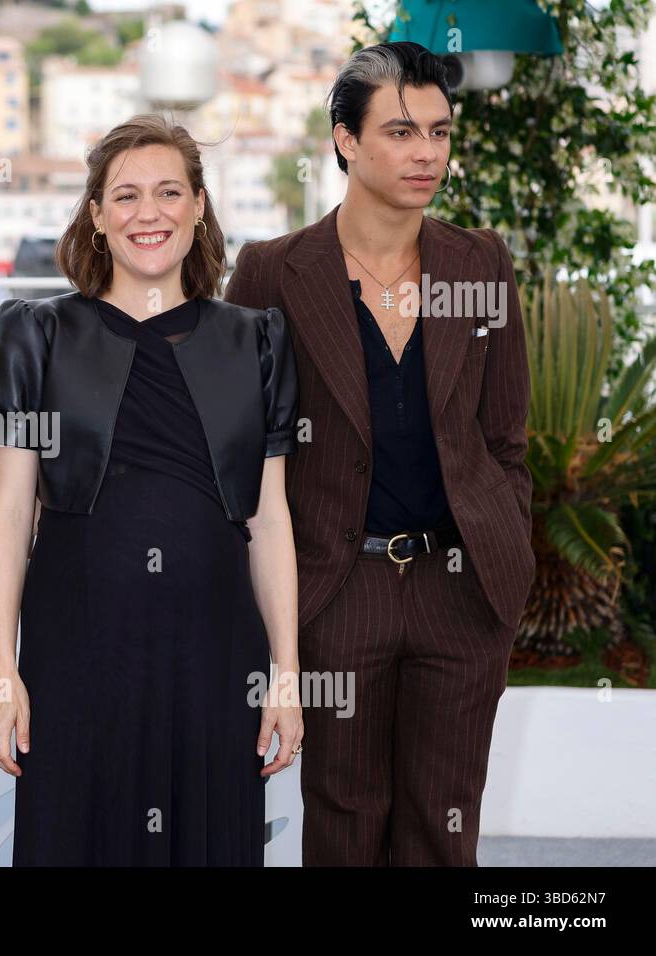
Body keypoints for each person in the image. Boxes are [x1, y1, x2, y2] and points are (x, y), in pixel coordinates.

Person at [224, 41, 534, 866]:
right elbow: (241, 459)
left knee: (445, 824)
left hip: (459, 594)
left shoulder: (482, 265)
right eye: (400, 131)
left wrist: (502, 559)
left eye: (439, 131)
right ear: (346, 141)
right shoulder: (271, 274)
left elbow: (507, 439)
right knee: (344, 824)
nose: (427, 152)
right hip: (337, 590)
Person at [0, 114, 302, 866]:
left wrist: (286, 672)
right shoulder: (37, 333)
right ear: (96, 215)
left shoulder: (258, 339)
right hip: (78, 651)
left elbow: (272, 520)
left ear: (197, 205)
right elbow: (9, 512)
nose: (146, 214)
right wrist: (3, 670)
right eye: (124, 196)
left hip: (217, 657)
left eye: (167, 192)